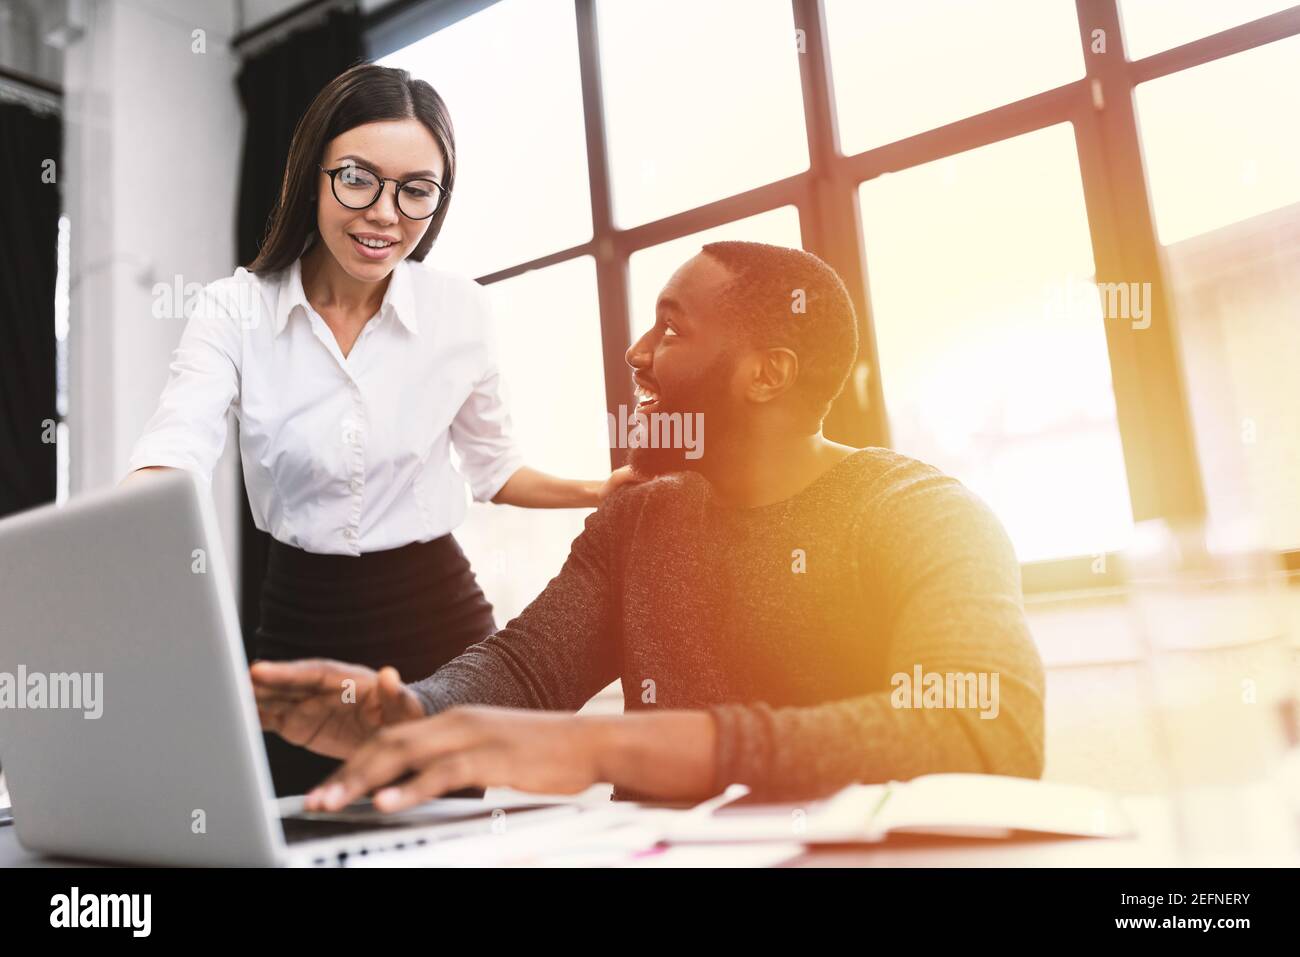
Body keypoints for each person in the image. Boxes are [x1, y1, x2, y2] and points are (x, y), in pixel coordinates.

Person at [252, 241, 1046, 809]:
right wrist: (412, 713)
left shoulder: (923, 513)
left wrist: (600, 749)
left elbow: (986, 730)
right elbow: (528, 672)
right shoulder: (639, 518)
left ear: (767, 374)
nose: (636, 352)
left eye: (671, 328)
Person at [123, 63, 636, 796]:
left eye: (415, 190)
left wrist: (599, 487)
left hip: (437, 613)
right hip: (299, 615)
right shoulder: (233, 309)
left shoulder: (461, 311)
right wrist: (131, 537)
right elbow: (176, 448)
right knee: (304, 824)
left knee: (447, 829)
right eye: (358, 179)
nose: (385, 215)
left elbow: (494, 470)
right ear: (312, 175)